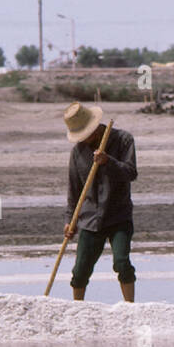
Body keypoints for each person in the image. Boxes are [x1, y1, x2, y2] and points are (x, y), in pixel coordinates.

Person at [62, 102, 138, 302]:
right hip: (89, 219)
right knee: (80, 272)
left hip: (118, 216)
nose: (84, 140)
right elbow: (74, 190)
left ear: (95, 127)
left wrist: (108, 161)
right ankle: (78, 309)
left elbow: (130, 173)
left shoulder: (123, 140)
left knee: (122, 263)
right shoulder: (78, 152)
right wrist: (71, 220)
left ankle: (130, 307)